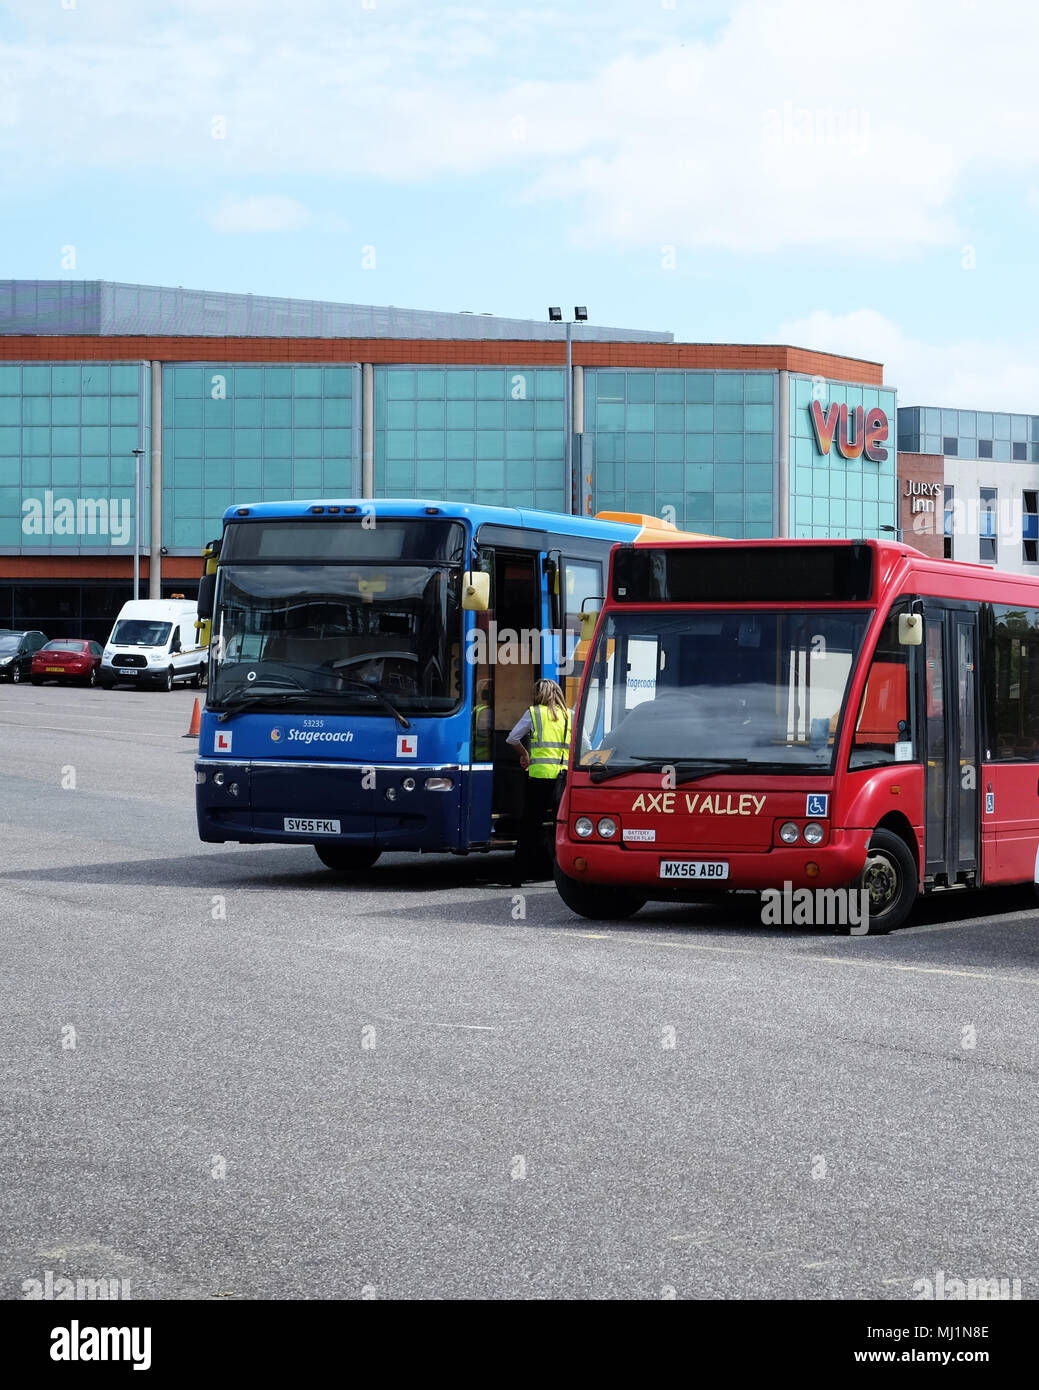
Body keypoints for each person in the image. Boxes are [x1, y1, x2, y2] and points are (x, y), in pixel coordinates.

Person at [506, 678, 572, 883]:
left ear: (539, 694)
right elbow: (584, 744)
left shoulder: (534, 713)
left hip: (539, 778)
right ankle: (563, 877)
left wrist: (525, 755)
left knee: (530, 827)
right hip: (563, 780)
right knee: (561, 827)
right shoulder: (570, 715)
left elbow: (512, 738)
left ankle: (517, 876)